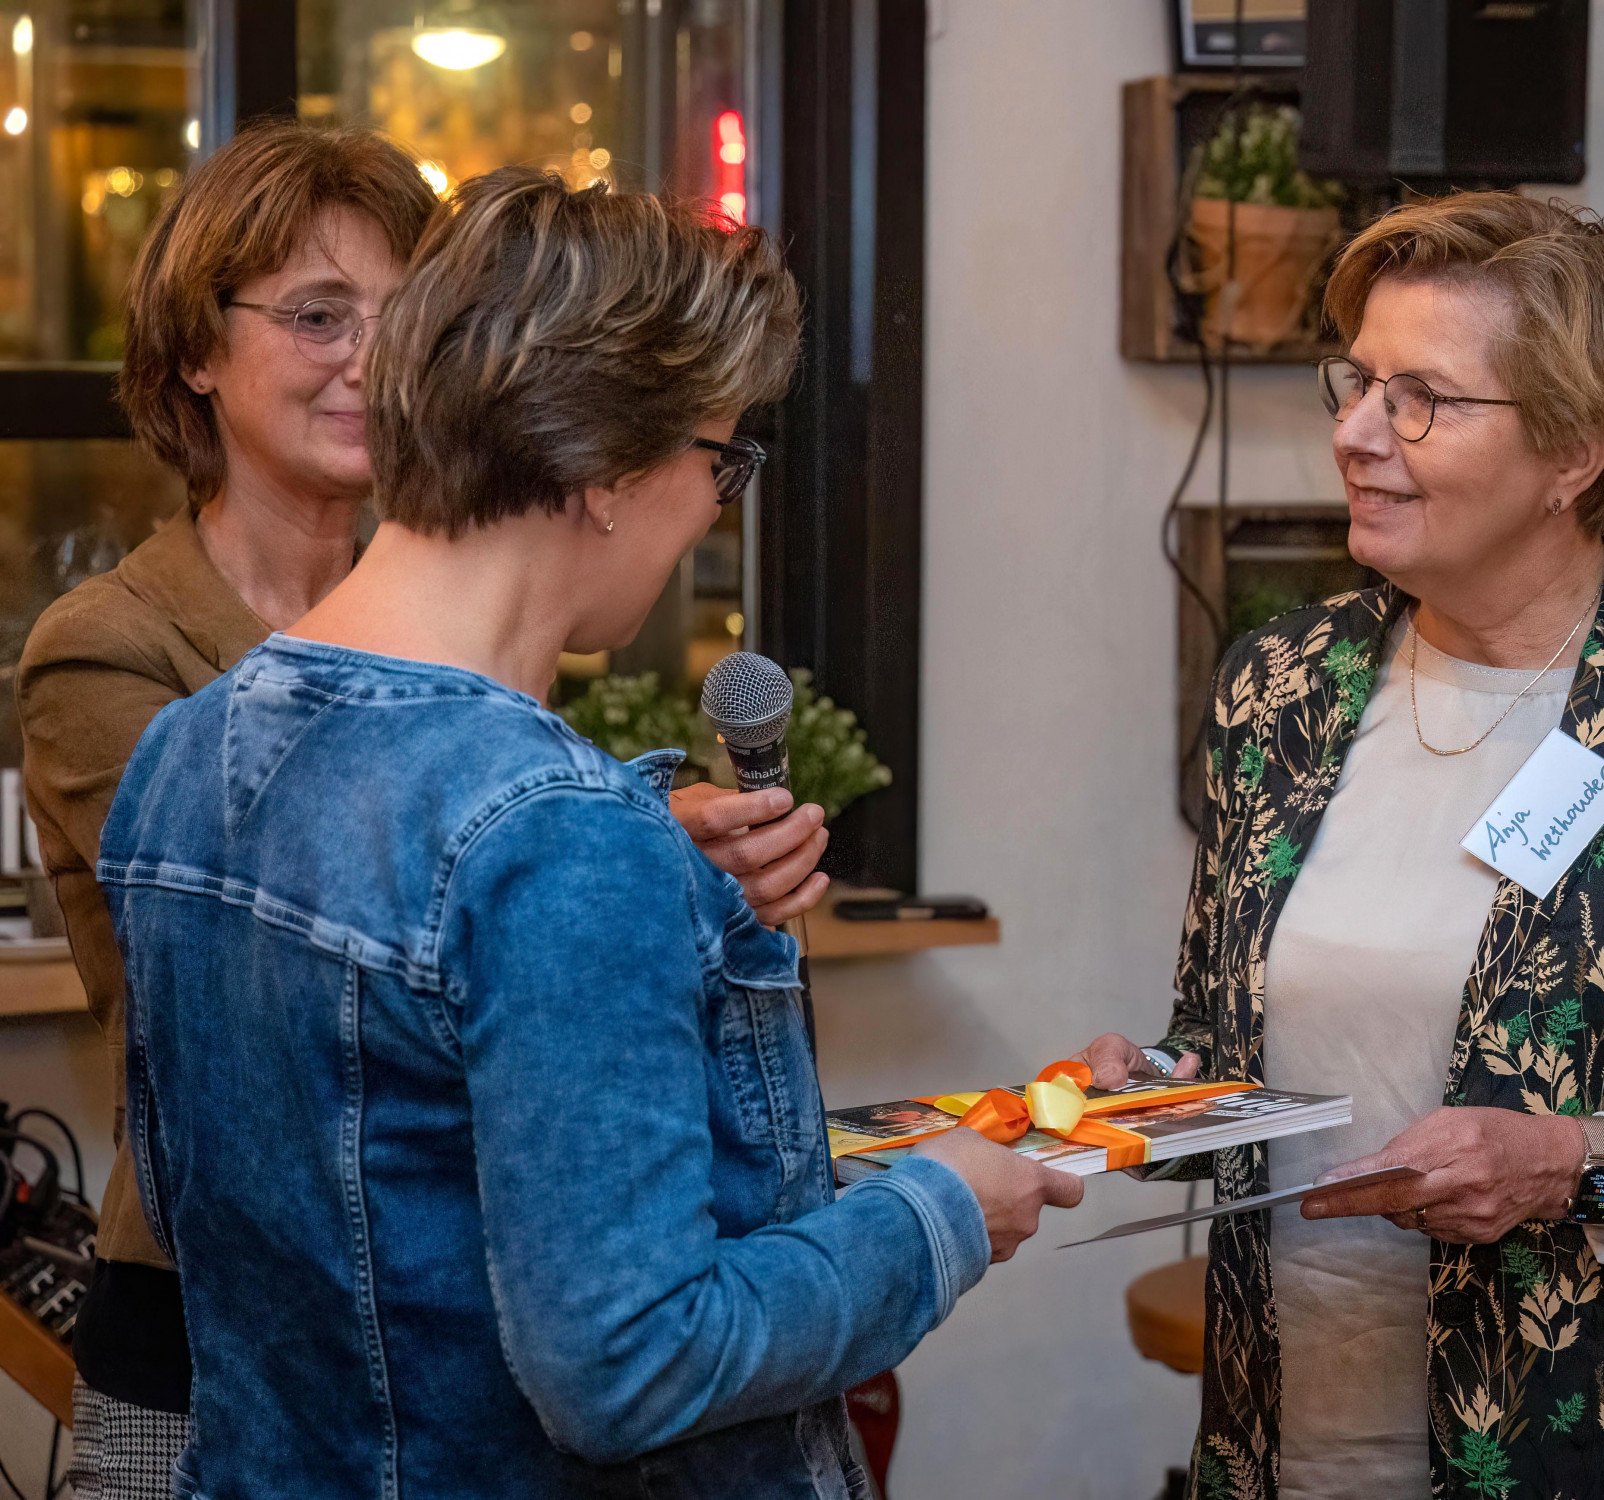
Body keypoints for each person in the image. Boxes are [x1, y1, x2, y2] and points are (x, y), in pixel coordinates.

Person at [95, 166, 1079, 1498]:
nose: (712, 508)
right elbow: (635, 1364)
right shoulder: (552, 835)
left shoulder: (189, 745)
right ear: (611, 464)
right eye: (720, 458)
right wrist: (944, 1211)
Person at [17, 122, 833, 1498]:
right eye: (317, 315)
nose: (366, 359)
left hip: (425, 1324)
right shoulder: (126, 656)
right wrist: (591, 852)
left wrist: (634, 838)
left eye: (402, 320)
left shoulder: (463, 649)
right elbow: (357, 902)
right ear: (197, 353)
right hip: (230, 1323)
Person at [1079, 193, 1604, 1500]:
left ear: (1575, 450)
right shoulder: (1282, 687)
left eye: (1419, 397)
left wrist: (1576, 1165)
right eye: (1356, 382)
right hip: (1294, 1442)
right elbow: (1240, 1036)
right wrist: (1153, 1085)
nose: (1356, 434)